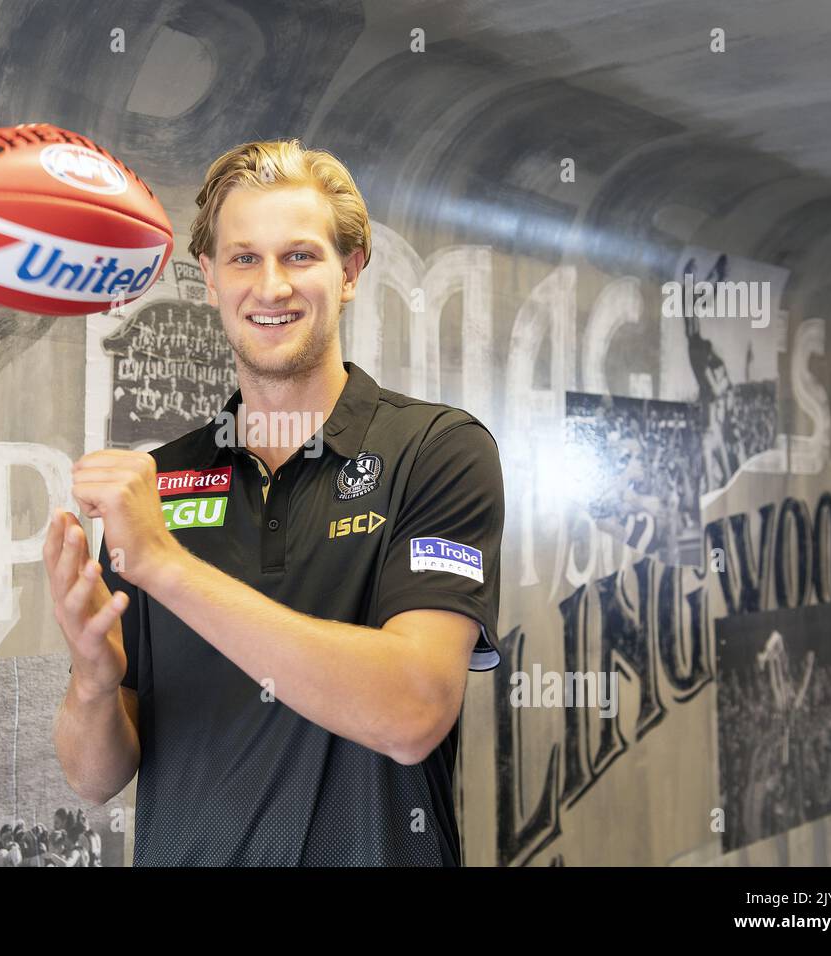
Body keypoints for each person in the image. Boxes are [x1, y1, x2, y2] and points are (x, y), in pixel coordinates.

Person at [48, 139, 505, 865]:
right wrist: (95, 684)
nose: (271, 287)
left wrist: (167, 565)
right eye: (243, 258)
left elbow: (413, 711)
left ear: (350, 271)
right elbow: (90, 776)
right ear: (209, 278)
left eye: (300, 256)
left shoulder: (437, 451)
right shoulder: (158, 485)